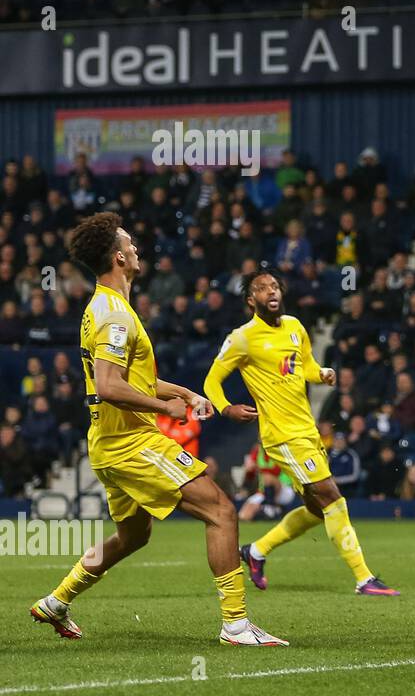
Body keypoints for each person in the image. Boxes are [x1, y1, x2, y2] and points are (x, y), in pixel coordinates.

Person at [31, 213, 285, 645]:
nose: (136, 249)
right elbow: (111, 387)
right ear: (118, 256)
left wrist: (183, 393)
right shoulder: (115, 316)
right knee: (221, 510)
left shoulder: (103, 308)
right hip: (130, 441)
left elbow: (126, 376)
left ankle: (56, 600)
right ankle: (236, 625)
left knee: (134, 535)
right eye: (130, 244)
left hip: (109, 444)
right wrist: (164, 407)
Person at [204, 270, 397, 596]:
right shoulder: (243, 338)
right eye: (262, 289)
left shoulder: (295, 326)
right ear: (251, 301)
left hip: (306, 429)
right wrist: (226, 408)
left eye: (275, 286)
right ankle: (364, 578)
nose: (271, 292)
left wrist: (321, 374)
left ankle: (256, 551)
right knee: (333, 499)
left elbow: (303, 365)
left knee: (315, 509)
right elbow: (211, 380)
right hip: (282, 435)